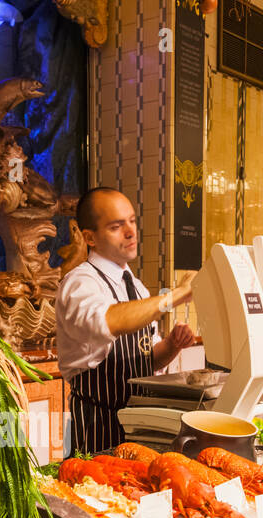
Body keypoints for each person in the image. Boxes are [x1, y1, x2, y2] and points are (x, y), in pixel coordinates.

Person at [56, 187, 197, 456]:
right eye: (116, 226)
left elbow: (146, 358)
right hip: (98, 433)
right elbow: (107, 321)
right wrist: (177, 295)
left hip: (140, 430)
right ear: (90, 238)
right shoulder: (79, 284)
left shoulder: (137, 288)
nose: (131, 232)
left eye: (132, 221)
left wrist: (172, 346)